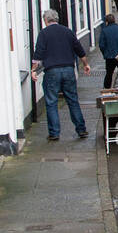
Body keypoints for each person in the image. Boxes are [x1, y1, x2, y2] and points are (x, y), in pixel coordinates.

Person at [29, 9, 91, 141]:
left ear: (45, 20)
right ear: (56, 19)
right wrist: (86, 64)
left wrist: (33, 70)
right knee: (73, 100)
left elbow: (38, 53)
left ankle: (54, 133)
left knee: (51, 102)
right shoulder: (67, 31)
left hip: (52, 71)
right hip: (68, 70)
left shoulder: (43, 33)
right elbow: (79, 49)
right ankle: (81, 130)